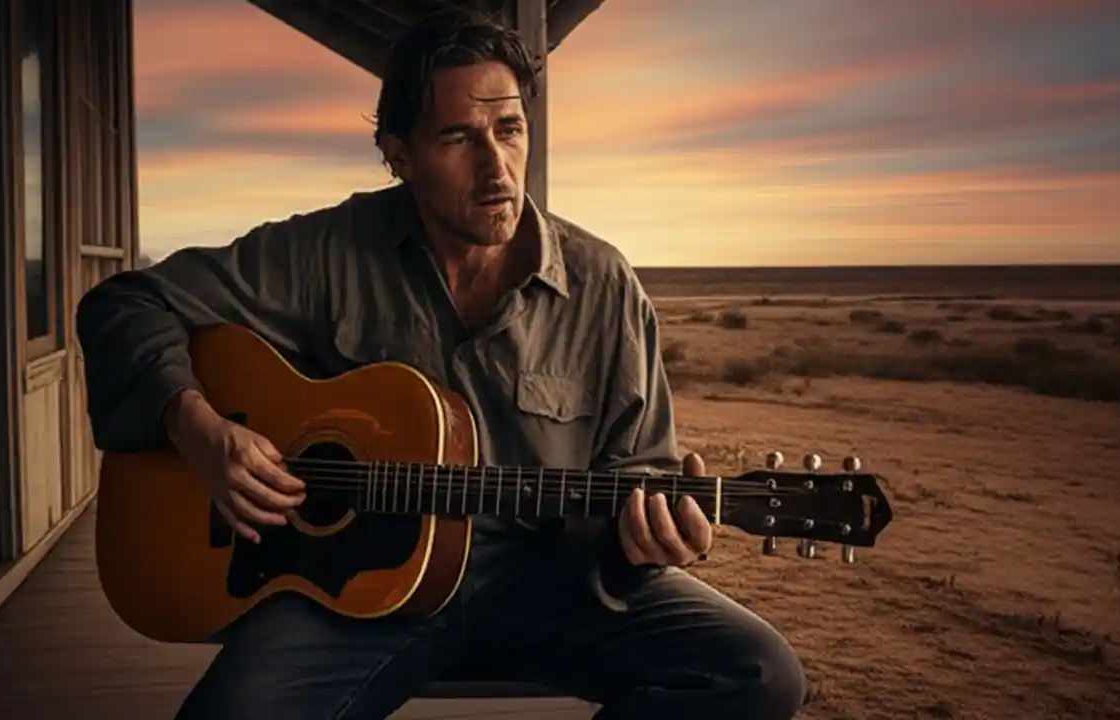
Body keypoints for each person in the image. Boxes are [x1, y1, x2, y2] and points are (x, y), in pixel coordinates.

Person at [76, 9, 806, 719]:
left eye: (510, 130)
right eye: (459, 137)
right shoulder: (326, 252)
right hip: (361, 589)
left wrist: (649, 539)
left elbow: (637, 470)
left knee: (759, 673)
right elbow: (125, 305)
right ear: (400, 155)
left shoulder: (603, 285)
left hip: (551, 584)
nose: (496, 168)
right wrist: (196, 428)